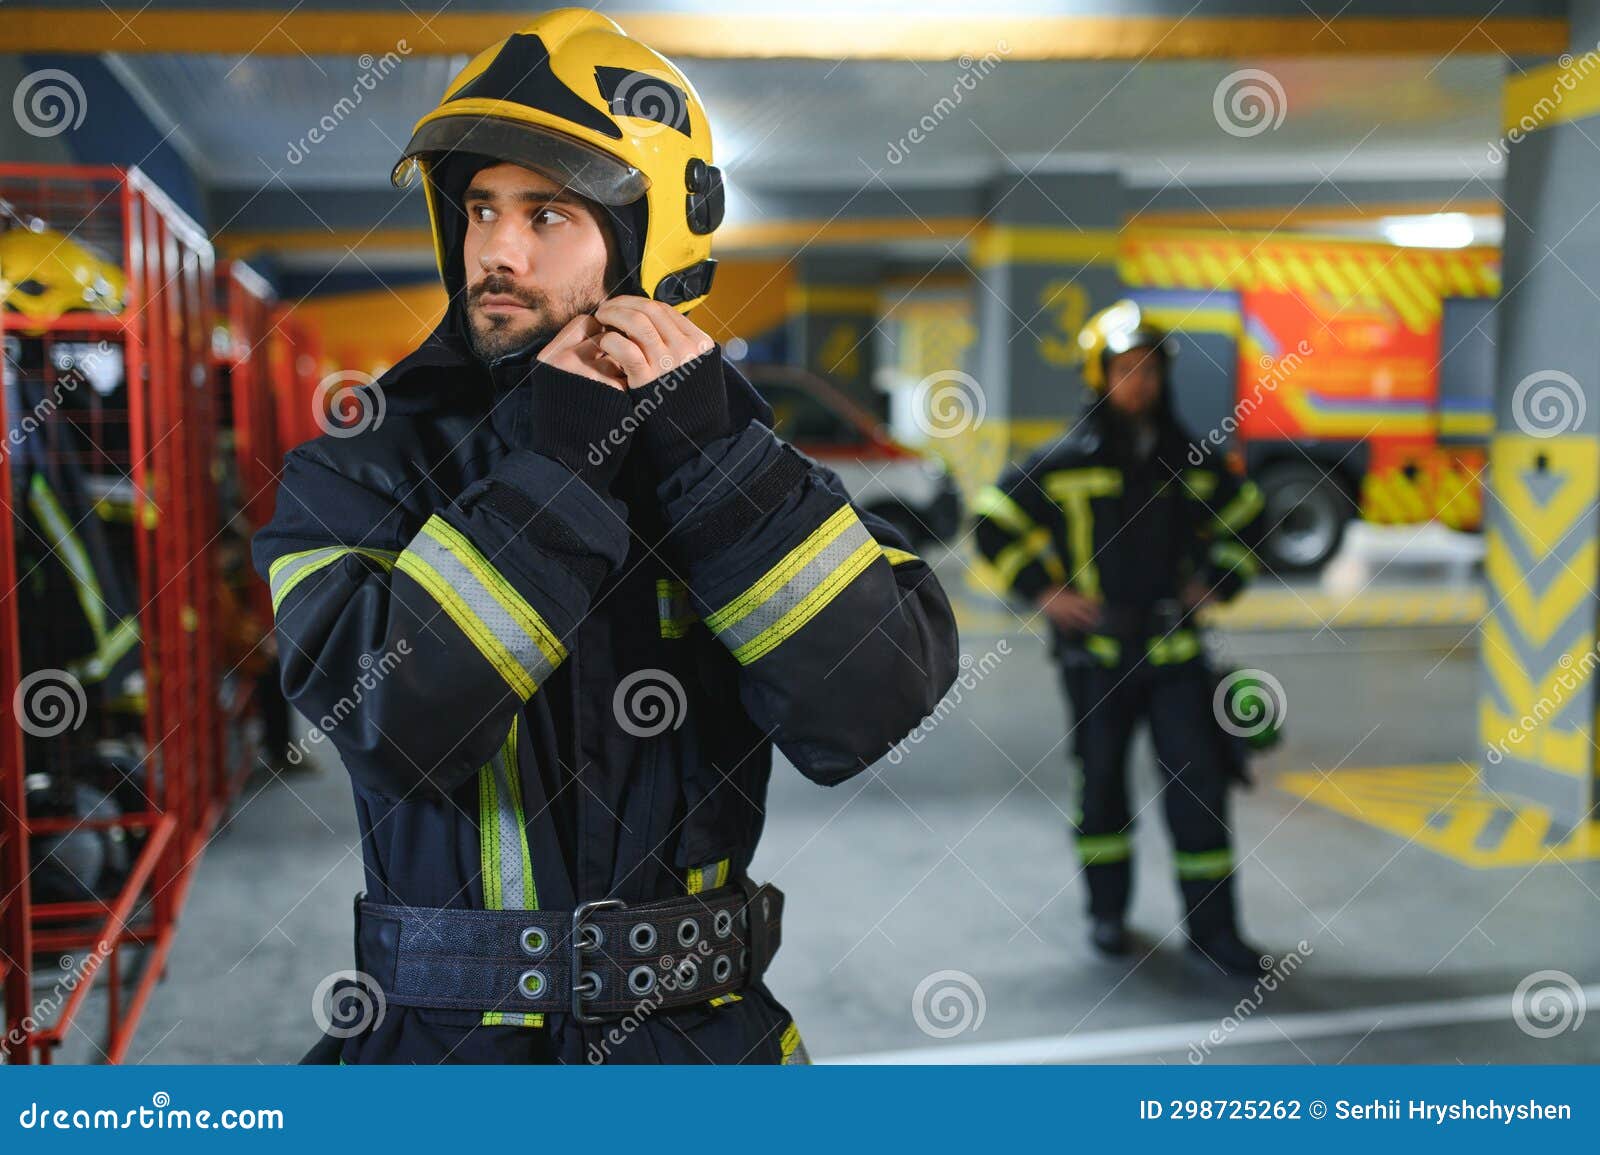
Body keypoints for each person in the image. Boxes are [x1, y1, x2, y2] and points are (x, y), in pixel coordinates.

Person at [252, 8, 959, 1064]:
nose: (494, 247)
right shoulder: (359, 469)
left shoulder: (749, 471)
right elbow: (399, 727)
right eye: (480, 207)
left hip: (705, 1058)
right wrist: (556, 474)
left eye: (547, 215)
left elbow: (864, 712)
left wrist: (715, 469)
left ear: (648, 241)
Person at [972, 300, 1268, 977]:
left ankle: (1215, 932)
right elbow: (991, 519)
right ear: (1098, 375)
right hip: (1097, 660)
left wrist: (1216, 583)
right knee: (1100, 789)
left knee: (1200, 793)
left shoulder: (1192, 460)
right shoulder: (1062, 460)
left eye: (1149, 370)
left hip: (1178, 658)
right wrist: (1045, 592)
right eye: (1125, 369)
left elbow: (1250, 519)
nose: (1139, 383)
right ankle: (1107, 915)